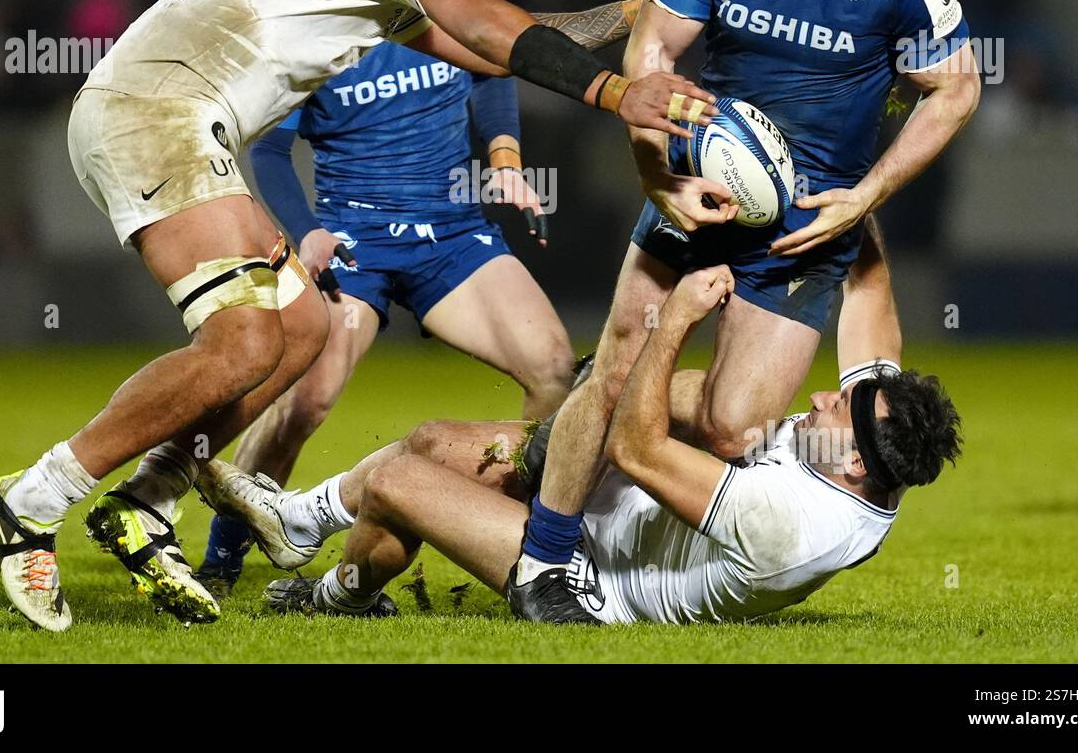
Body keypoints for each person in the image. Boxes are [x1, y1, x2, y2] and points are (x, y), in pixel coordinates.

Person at [0, 0, 715, 632]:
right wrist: (616, 92)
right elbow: (486, 22)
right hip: (157, 110)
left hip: (176, 111)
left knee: (301, 329)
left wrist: (641, 7)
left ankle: (148, 499)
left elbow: (497, 42)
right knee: (247, 341)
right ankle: (29, 500)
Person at [504, 0, 981, 621]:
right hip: (699, 188)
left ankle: (593, 434)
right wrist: (660, 176)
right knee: (618, 363)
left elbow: (958, 88)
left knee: (732, 427)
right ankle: (544, 565)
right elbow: (649, 55)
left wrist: (866, 194)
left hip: (806, 228)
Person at [194, 0, 643, 597]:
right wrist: (305, 227)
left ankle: (501, 530)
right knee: (305, 399)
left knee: (553, 370)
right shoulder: (318, 20)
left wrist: (504, 156)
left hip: (451, 235)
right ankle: (223, 555)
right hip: (356, 239)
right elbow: (268, 151)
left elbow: (496, 63)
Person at [196, 218, 962, 624]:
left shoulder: (791, 524)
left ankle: (332, 589)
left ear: (858, 465)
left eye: (839, 410)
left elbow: (635, 445)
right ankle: (309, 535)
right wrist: (847, 175)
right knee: (430, 441)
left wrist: (675, 319)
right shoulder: (878, 436)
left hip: (598, 582)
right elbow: (870, 287)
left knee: (401, 477)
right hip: (620, 509)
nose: (825, 396)